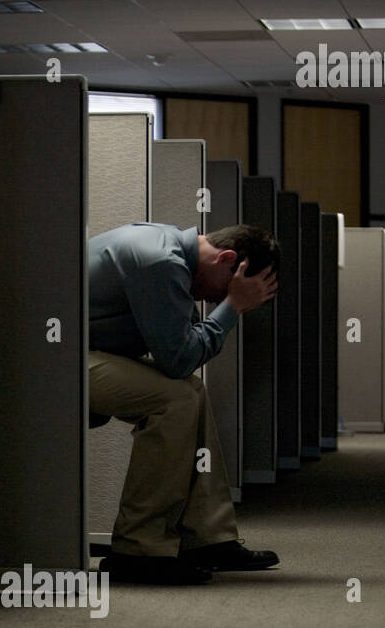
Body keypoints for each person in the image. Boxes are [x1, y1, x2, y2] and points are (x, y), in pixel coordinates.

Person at [89, 222, 281, 584]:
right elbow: (177, 358)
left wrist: (228, 303)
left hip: (86, 351)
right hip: (51, 361)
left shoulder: (171, 250)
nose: (214, 300)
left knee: (191, 390)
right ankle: (137, 548)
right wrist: (232, 308)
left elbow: (183, 351)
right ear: (226, 259)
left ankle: (206, 538)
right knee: (174, 398)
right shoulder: (159, 261)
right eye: (226, 288)